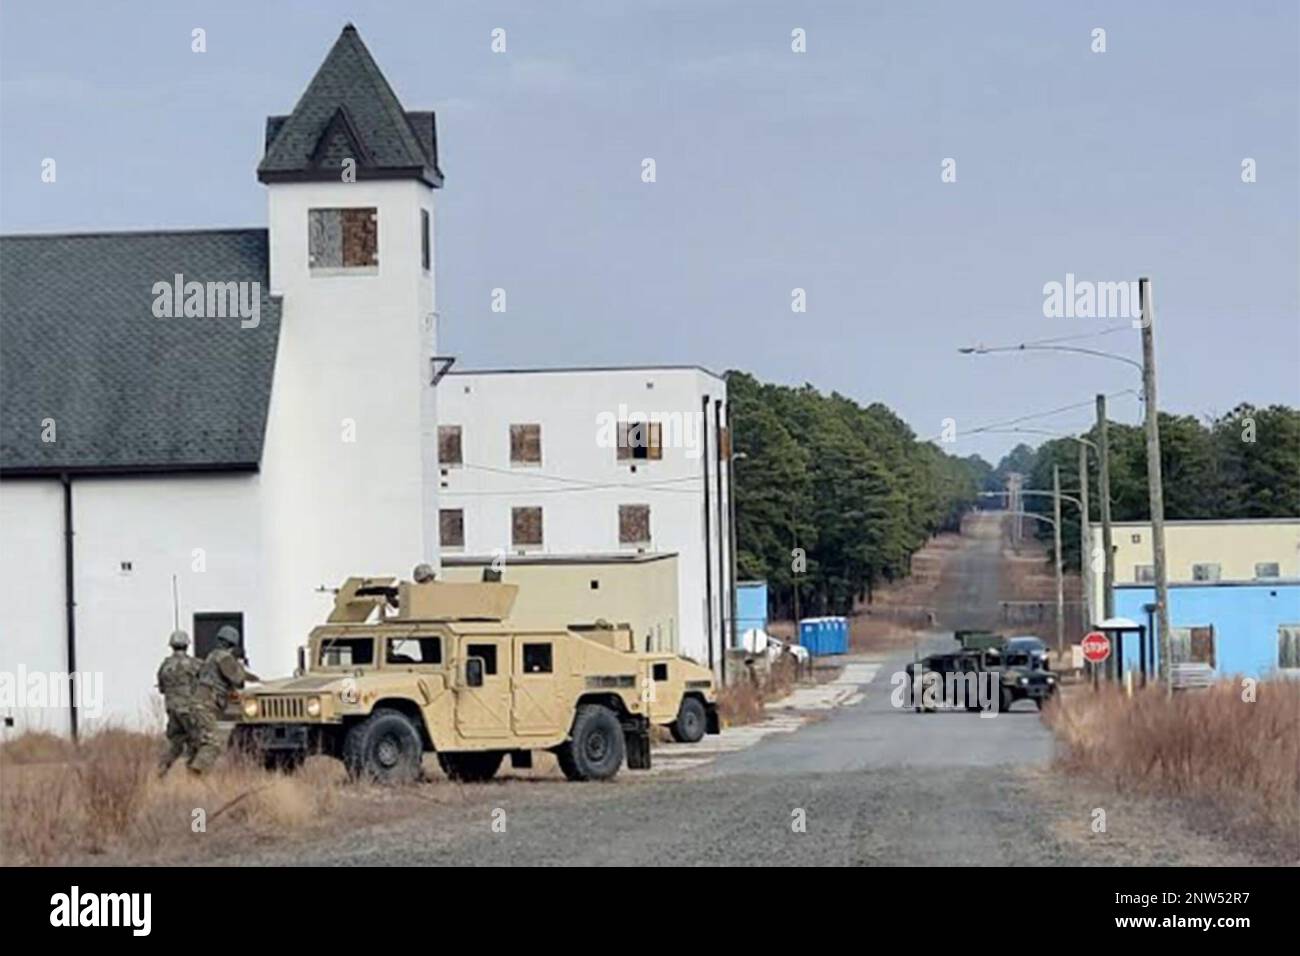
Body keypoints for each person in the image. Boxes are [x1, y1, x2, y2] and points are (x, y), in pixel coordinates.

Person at [189, 625, 260, 774]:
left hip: (198, 702)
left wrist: (253, 677)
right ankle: (196, 773)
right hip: (206, 704)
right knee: (213, 742)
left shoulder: (212, 656)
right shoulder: (225, 658)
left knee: (201, 741)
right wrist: (241, 666)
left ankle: (192, 772)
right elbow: (237, 677)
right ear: (232, 643)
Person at [156, 629, 201, 774]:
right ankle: (193, 774)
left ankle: (161, 770)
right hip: (188, 710)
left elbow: (162, 688)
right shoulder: (194, 664)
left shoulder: (165, 666)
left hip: (172, 709)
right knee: (197, 742)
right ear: (187, 645)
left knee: (176, 744)